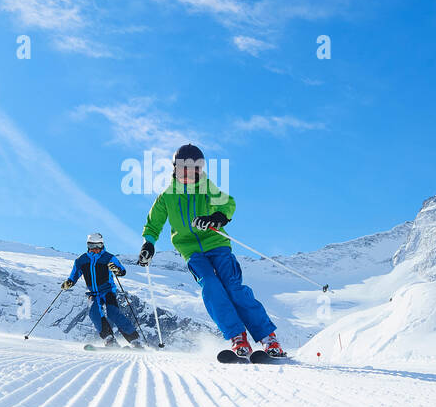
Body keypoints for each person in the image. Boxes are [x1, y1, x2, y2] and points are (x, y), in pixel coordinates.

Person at [137, 144, 284, 358]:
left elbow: (228, 205)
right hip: (190, 250)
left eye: (194, 168)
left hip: (217, 243)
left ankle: (268, 338)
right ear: (175, 169)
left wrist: (215, 218)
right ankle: (237, 337)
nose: (188, 173)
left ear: (200, 169)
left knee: (233, 286)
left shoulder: (207, 188)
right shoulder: (167, 196)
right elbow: (153, 224)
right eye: (183, 168)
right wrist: (148, 243)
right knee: (211, 284)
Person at [63, 232, 142, 348]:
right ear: (87, 246)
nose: (95, 249)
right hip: (93, 293)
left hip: (108, 291)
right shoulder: (81, 260)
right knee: (93, 313)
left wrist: (116, 269)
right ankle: (109, 340)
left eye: (98, 246)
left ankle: (135, 341)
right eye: (91, 246)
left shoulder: (109, 257)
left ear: (102, 245)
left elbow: (122, 271)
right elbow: (74, 275)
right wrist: (69, 282)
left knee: (113, 313)